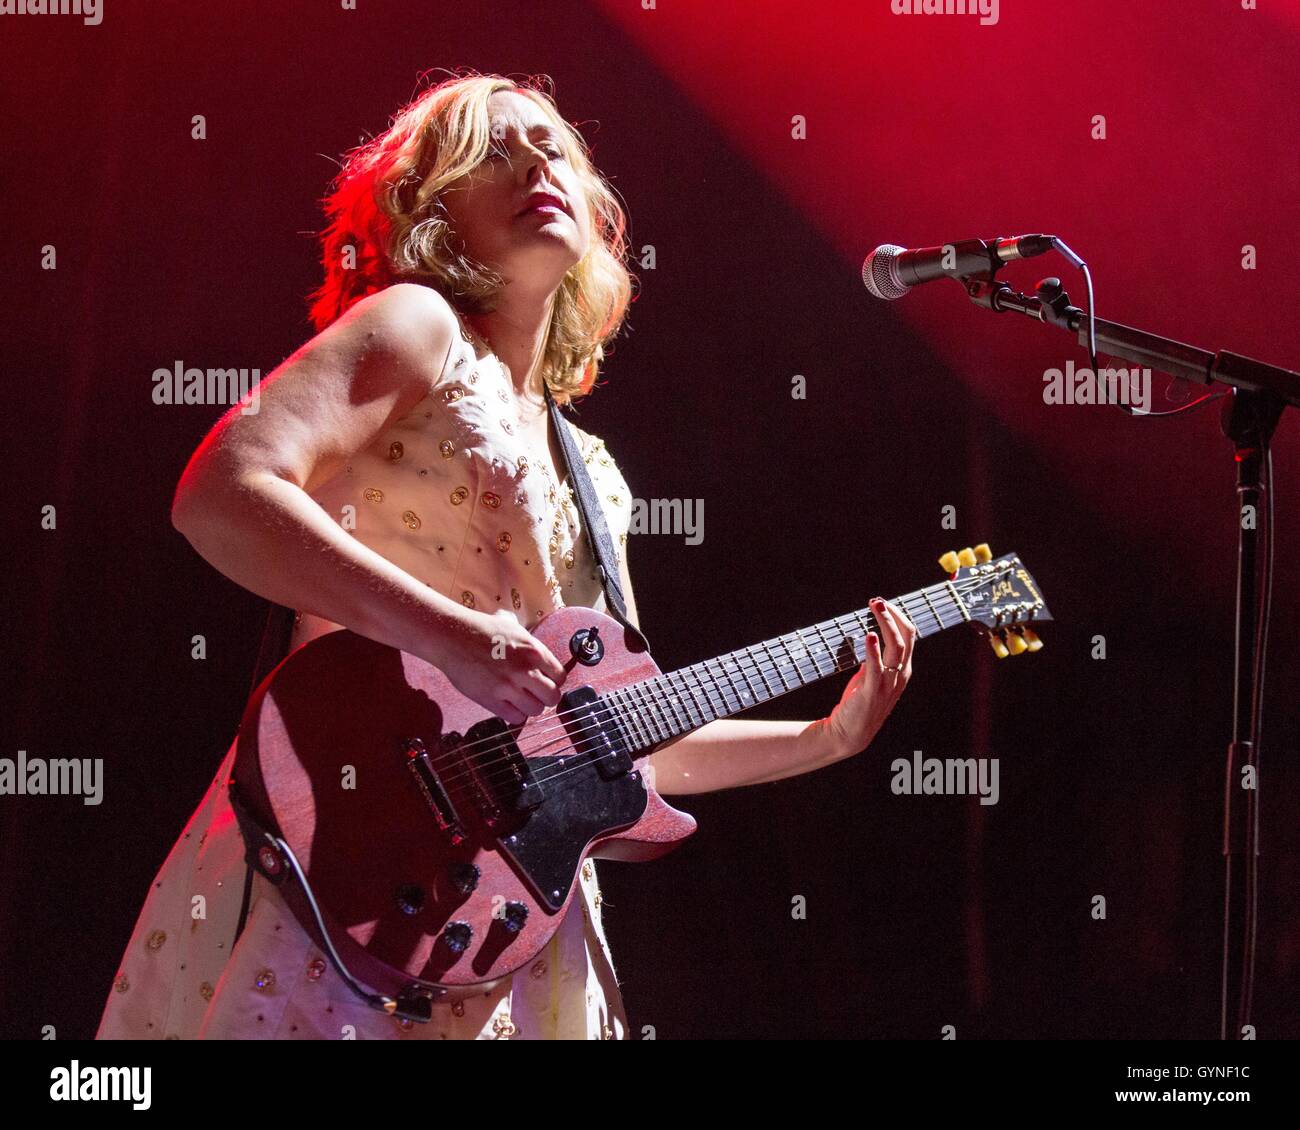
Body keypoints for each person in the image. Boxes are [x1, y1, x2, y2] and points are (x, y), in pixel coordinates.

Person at [94, 71, 918, 1041]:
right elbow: (221, 492)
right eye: (495, 149)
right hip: (344, 865)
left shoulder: (595, 468)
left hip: (507, 930)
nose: (536, 161)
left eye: (553, 147)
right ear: (428, 208)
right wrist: (448, 634)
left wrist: (824, 738)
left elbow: (604, 743)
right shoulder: (418, 326)